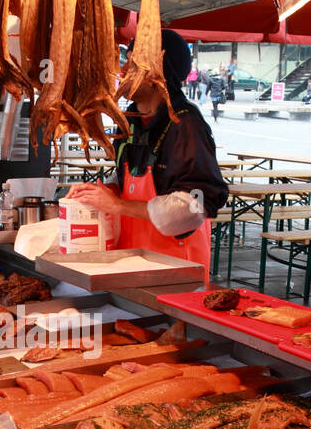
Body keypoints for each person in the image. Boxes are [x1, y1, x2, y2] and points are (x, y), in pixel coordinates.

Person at [64, 29, 227, 284]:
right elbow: (128, 176)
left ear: (156, 73)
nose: (121, 70)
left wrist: (119, 206)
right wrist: (104, 191)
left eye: (132, 63)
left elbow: (196, 205)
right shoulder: (130, 120)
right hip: (131, 261)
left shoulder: (185, 124)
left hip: (175, 270)